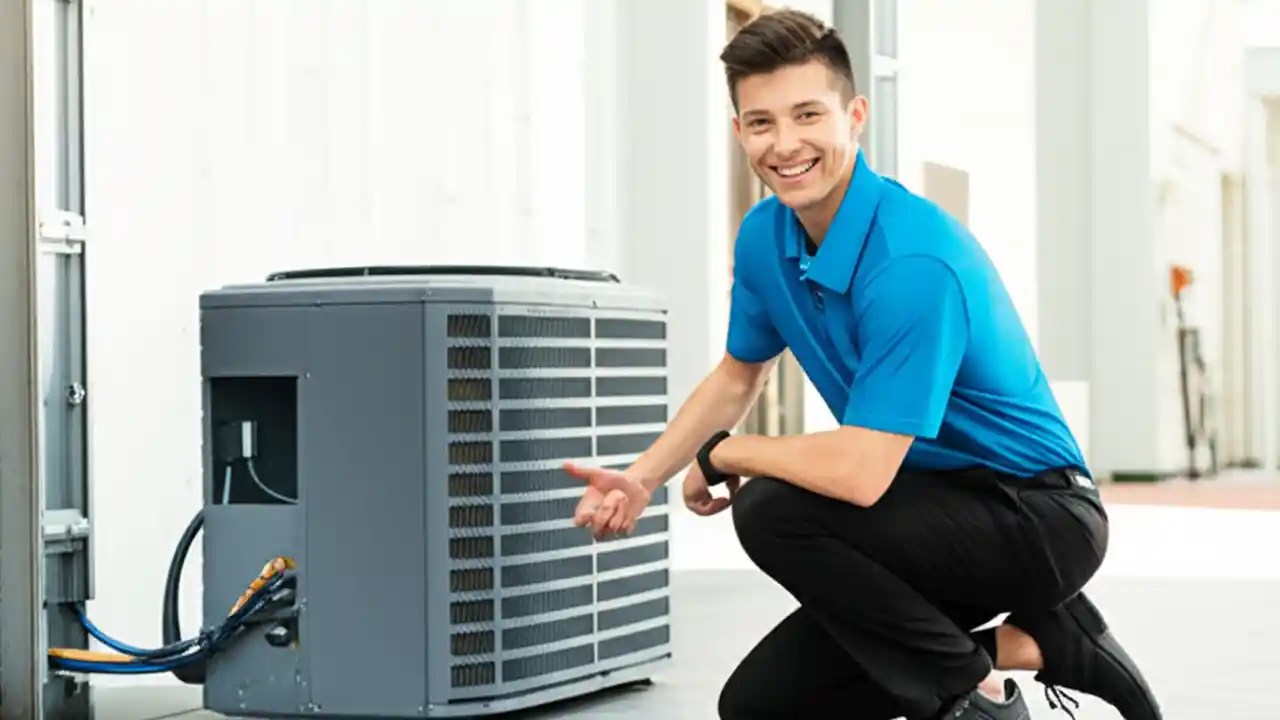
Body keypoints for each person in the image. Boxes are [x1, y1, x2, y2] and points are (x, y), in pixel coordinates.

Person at [564, 9, 1161, 720]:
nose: (785, 145)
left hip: (1035, 516)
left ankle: (978, 692)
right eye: (761, 123)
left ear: (855, 116)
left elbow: (859, 472)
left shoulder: (911, 261)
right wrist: (640, 478)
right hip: (922, 511)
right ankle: (1040, 644)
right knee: (761, 705)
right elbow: (737, 374)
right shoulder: (766, 238)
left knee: (771, 508)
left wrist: (729, 454)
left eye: (807, 115)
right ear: (738, 133)